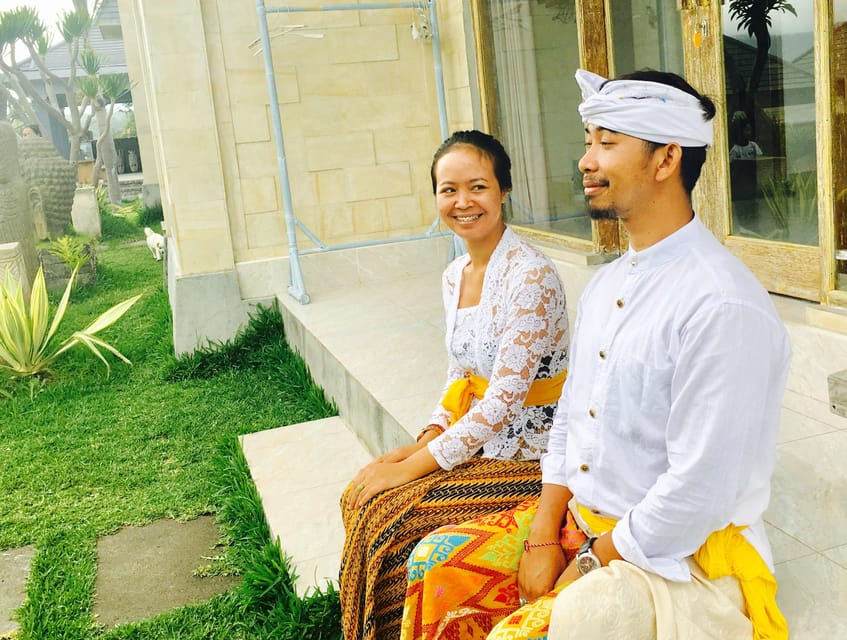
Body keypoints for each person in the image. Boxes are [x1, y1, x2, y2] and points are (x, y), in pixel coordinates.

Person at [401, 69, 791, 640]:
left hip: (675, 555)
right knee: (436, 564)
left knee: (533, 629)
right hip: (581, 522)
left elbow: (697, 493)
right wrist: (543, 535)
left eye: (607, 143)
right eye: (589, 142)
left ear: (666, 159)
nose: (586, 160)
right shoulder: (606, 285)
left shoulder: (721, 305)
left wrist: (584, 564)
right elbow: (568, 421)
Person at [340, 130, 570, 640]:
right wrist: (425, 438)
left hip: (532, 455)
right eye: (449, 190)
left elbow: (502, 403)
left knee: (395, 520)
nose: (463, 202)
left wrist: (412, 468)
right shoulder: (454, 274)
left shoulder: (529, 276)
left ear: (504, 191)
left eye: (478, 187)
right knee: (362, 494)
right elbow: (459, 376)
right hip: (478, 441)